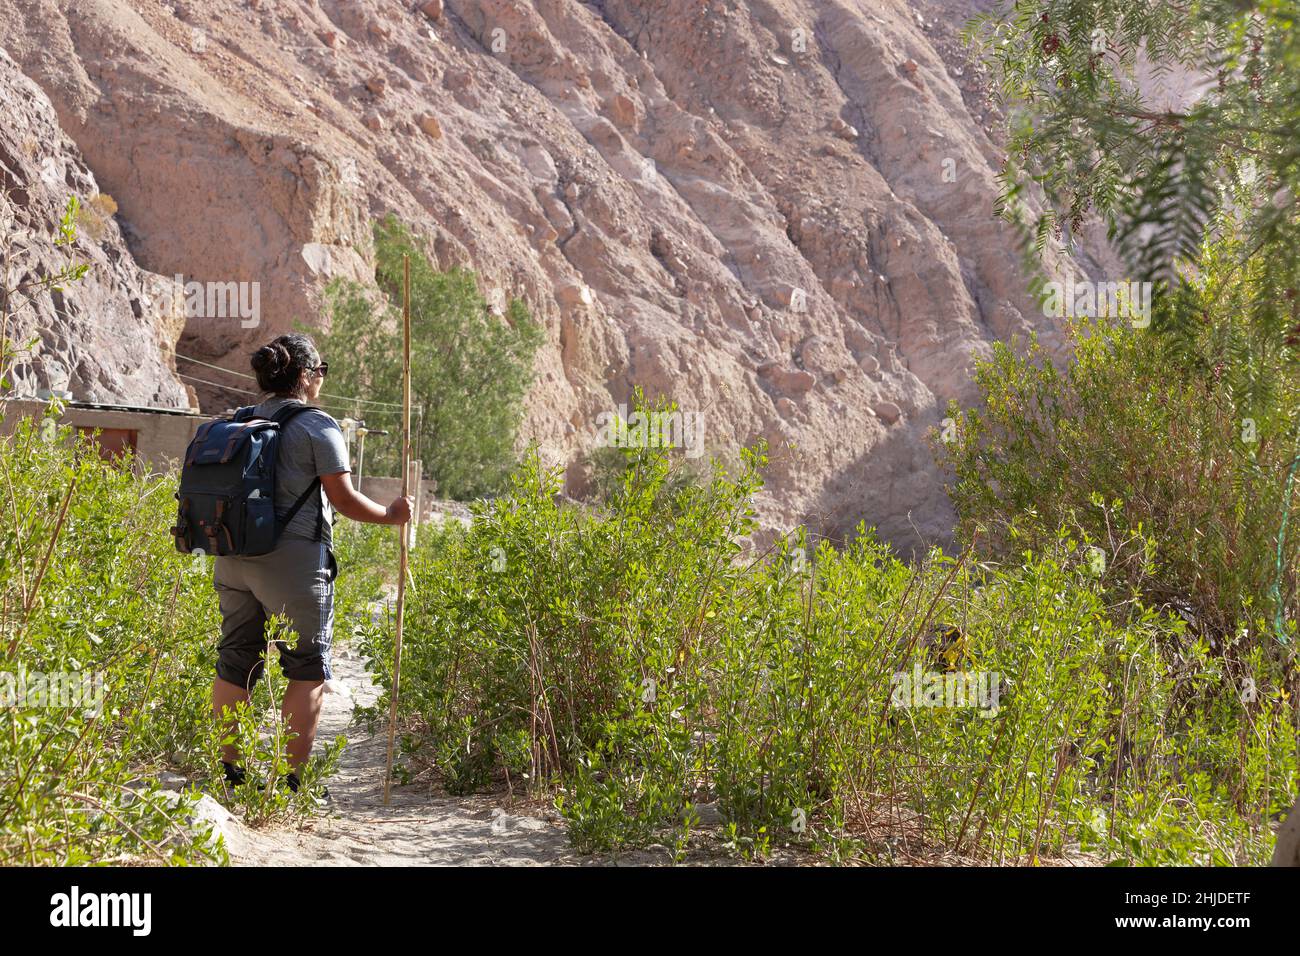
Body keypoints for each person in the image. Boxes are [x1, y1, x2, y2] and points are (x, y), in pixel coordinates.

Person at [210, 333, 412, 792]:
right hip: (292, 564)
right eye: (321, 369)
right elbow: (343, 499)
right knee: (307, 668)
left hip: (232, 559)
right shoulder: (317, 425)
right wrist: (393, 516)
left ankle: (231, 775)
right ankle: (289, 784)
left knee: (237, 660)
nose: (322, 377)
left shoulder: (243, 419)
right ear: (304, 376)